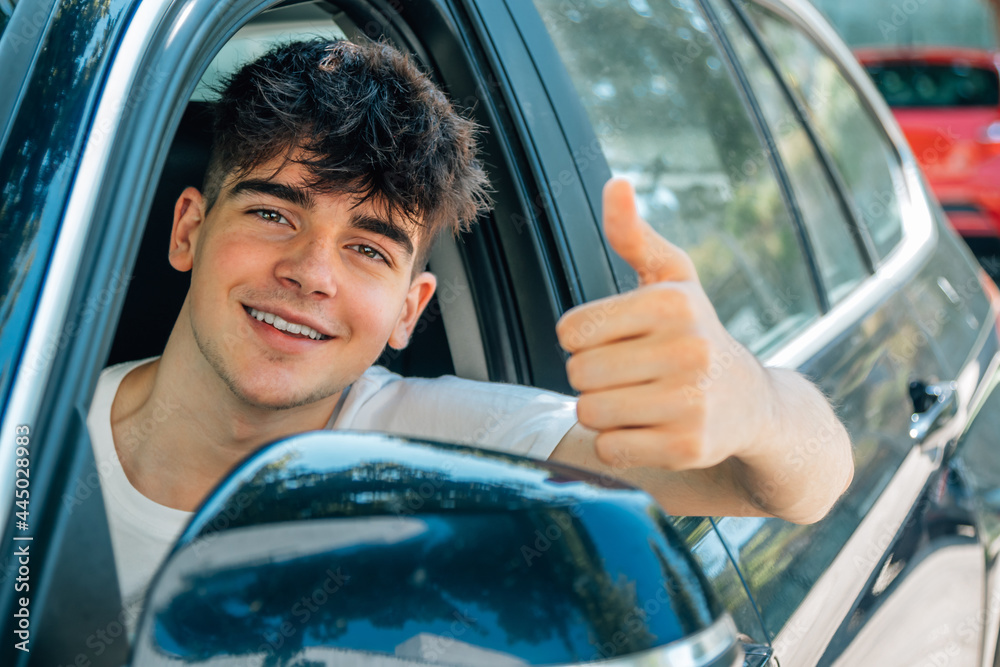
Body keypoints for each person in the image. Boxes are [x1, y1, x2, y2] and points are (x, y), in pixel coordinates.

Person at [86, 38, 854, 625]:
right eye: (272, 213)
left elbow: (791, 483)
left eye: (368, 250)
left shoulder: (453, 450)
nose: (311, 273)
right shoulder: (36, 429)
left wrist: (756, 401)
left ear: (409, 310)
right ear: (188, 229)